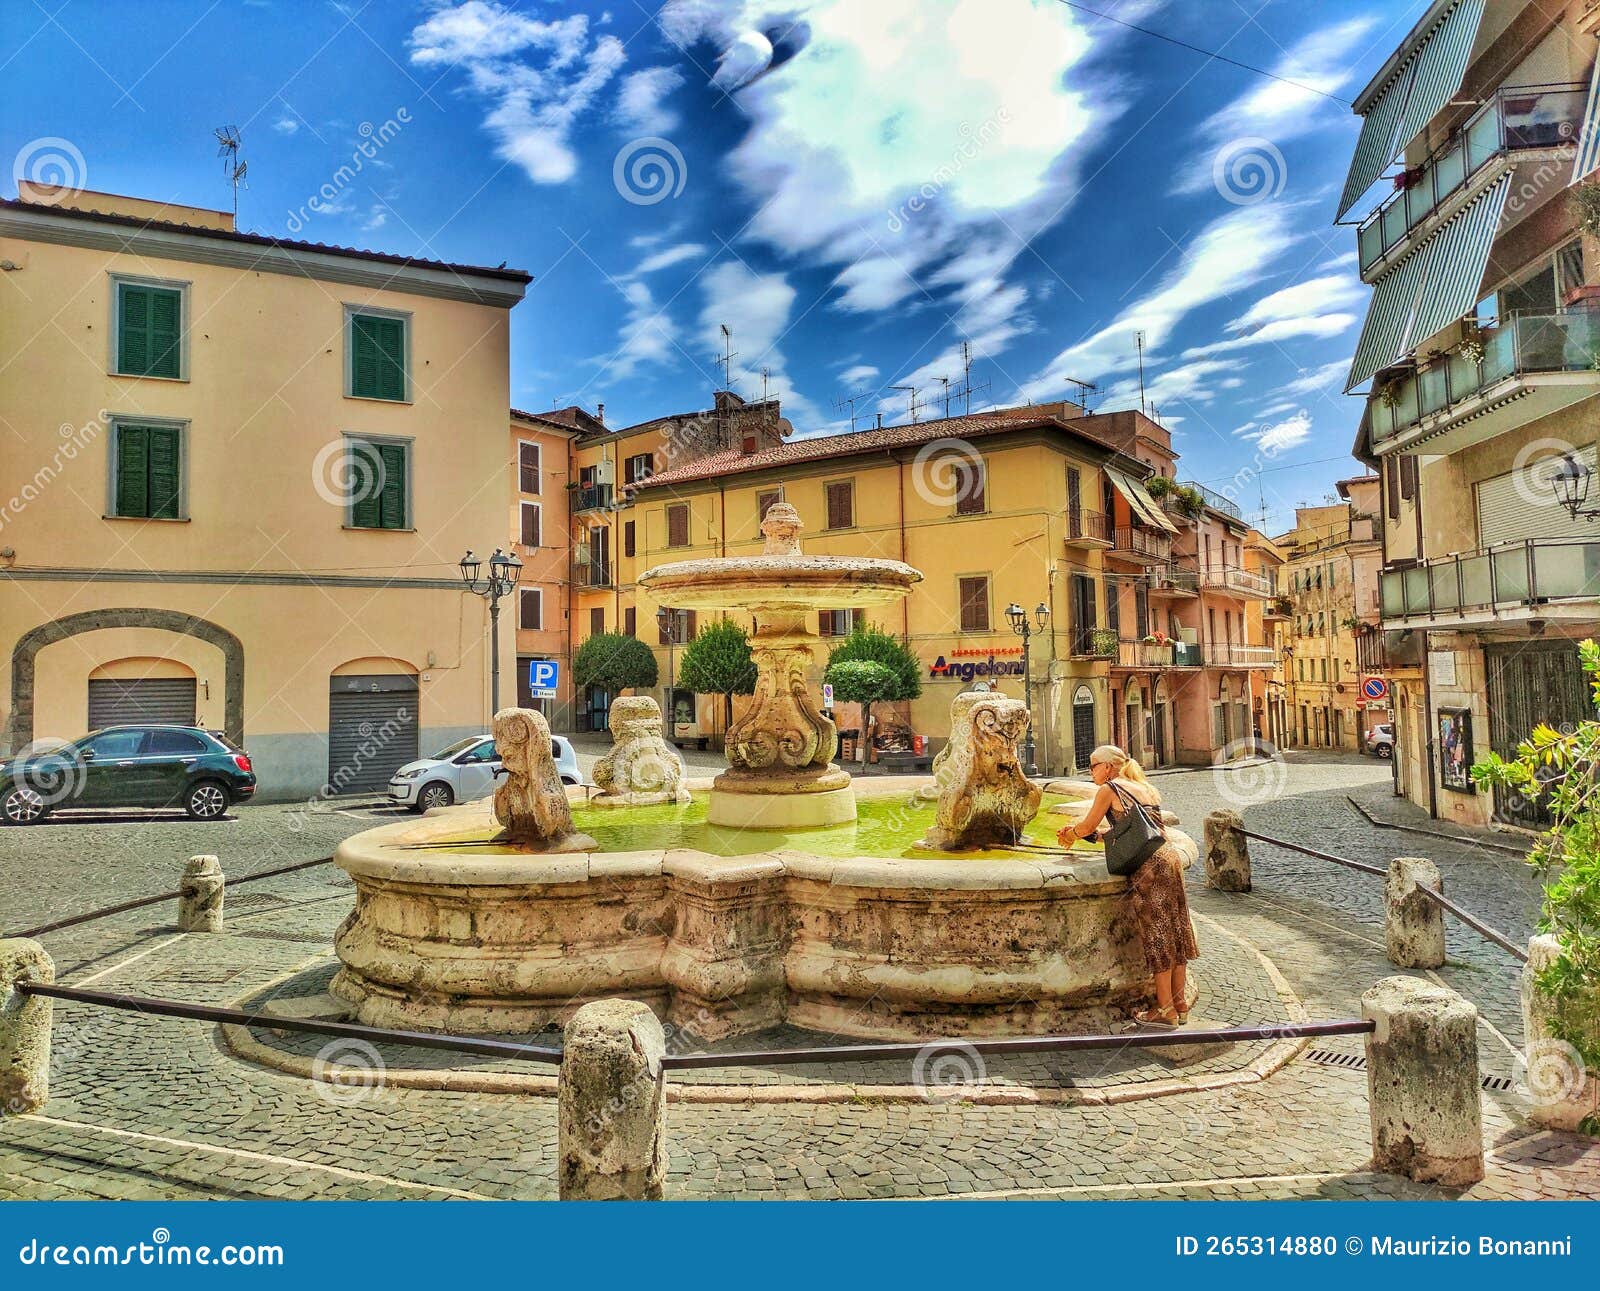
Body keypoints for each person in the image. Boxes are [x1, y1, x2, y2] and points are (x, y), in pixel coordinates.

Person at [1057, 744, 1199, 1028]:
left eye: (1093, 765)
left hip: (1149, 867)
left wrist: (1071, 834)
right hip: (1169, 858)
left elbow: (1087, 826)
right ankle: (1180, 1004)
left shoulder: (1109, 789)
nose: (1091, 771)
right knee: (1176, 931)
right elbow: (1132, 831)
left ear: (1108, 767)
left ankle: (1165, 1011)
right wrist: (1094, 837)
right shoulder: (1143, 787)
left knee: (1158, 935)